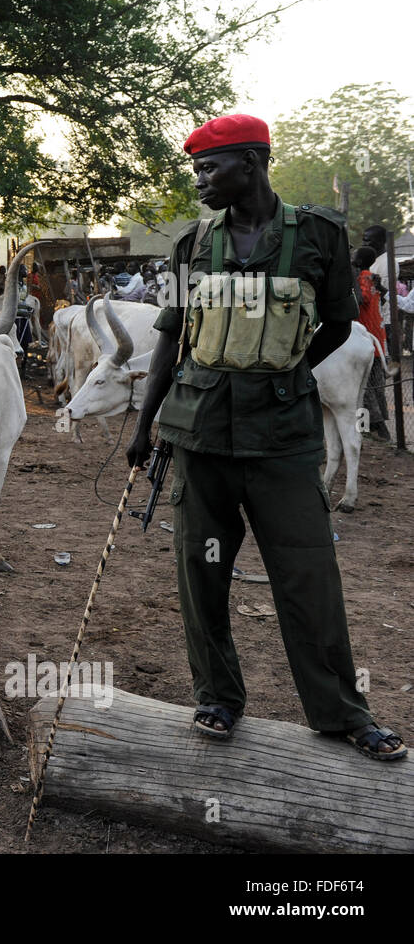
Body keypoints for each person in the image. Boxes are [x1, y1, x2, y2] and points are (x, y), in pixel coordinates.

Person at [125, 113, 405, 759]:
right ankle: (218, 697)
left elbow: (337, 323)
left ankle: (341, 712)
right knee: (203, 573)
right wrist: (144, 424)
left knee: (309, 574)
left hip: (282, 438)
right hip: (198, 435)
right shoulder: (194, 242)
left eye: (209, 167)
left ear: (250, 163)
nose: (199, 179)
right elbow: (172, 334)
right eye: (196, 168)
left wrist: (282, 370)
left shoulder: (317, 237)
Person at [352, 246, 390, 442]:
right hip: (377, 339)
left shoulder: (363, 278)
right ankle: (379, 427)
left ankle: (373, 427)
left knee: (363, 388)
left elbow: (363, 299)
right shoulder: (373, 277)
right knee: (376, 387)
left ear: (358, 261)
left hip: (366, 338)